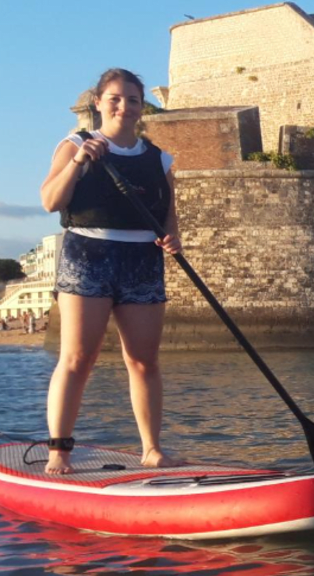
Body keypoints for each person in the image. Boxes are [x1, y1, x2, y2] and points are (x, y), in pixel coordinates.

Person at [39, 68, 182, 474]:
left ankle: (152, 449)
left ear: (141, 108)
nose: (124, 105)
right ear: (99, 103)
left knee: (144, 361)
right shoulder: (74, 144)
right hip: (88, 254)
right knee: (78, 357)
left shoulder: (158, 159)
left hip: (142, 261)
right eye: (115, 98)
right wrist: (79, 163)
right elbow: (50, 200)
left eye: (132, 99)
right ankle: (59, 452)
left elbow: (169, 213)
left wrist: (173, 239)